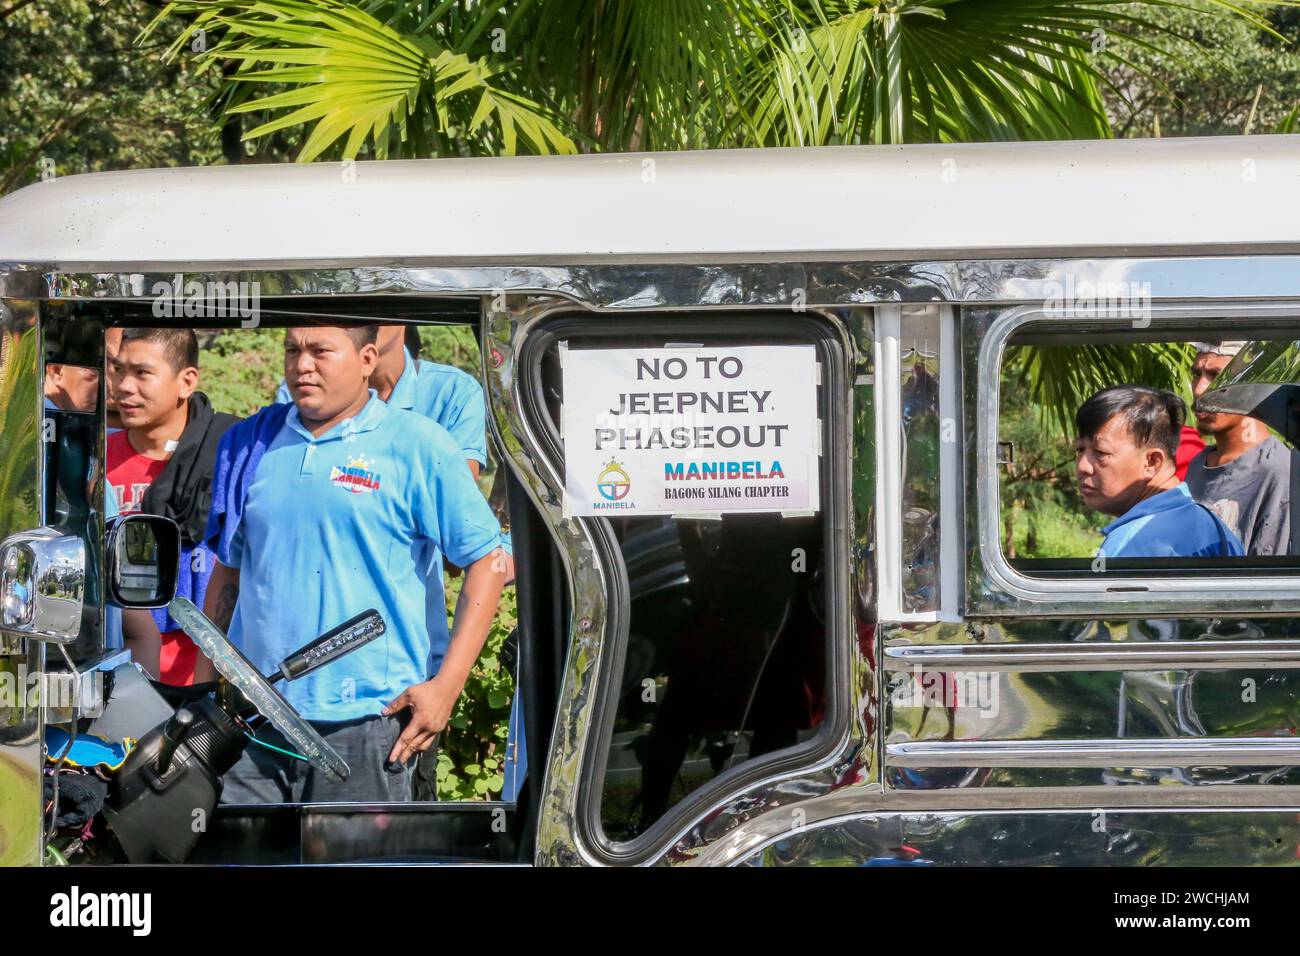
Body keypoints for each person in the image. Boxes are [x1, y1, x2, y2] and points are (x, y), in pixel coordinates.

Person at [201, 324, 507, 803]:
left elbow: (488, 560)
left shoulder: (417, 445)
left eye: (321, 351)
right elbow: (231, 570)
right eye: (292, 350)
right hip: (255, 722)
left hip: (369, 724)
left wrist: (447, 687)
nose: (302, 364)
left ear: (367, 359)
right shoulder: (252, 446)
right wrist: (206, 689)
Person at [106, 328, 238, 683]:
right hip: (115, 681)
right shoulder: (94, 460)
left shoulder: (230, 457)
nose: (124, 386)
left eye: (142, 373)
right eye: (119, 370)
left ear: (186, 382)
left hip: (206, 683)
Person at [1075, 384, 1243, 559]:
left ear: (1152, 461)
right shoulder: (1212, 526)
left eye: (1101, 452)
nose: (1083, 466)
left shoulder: (1136, 542)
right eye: (1080, 450)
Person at [1184, 341, 1297, 556]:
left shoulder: (1277, 469)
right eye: (1196, 374)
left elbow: (1270, 576)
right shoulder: (1199, 464)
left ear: (1250, 384)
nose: (1199, 390)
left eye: (1216, 376)